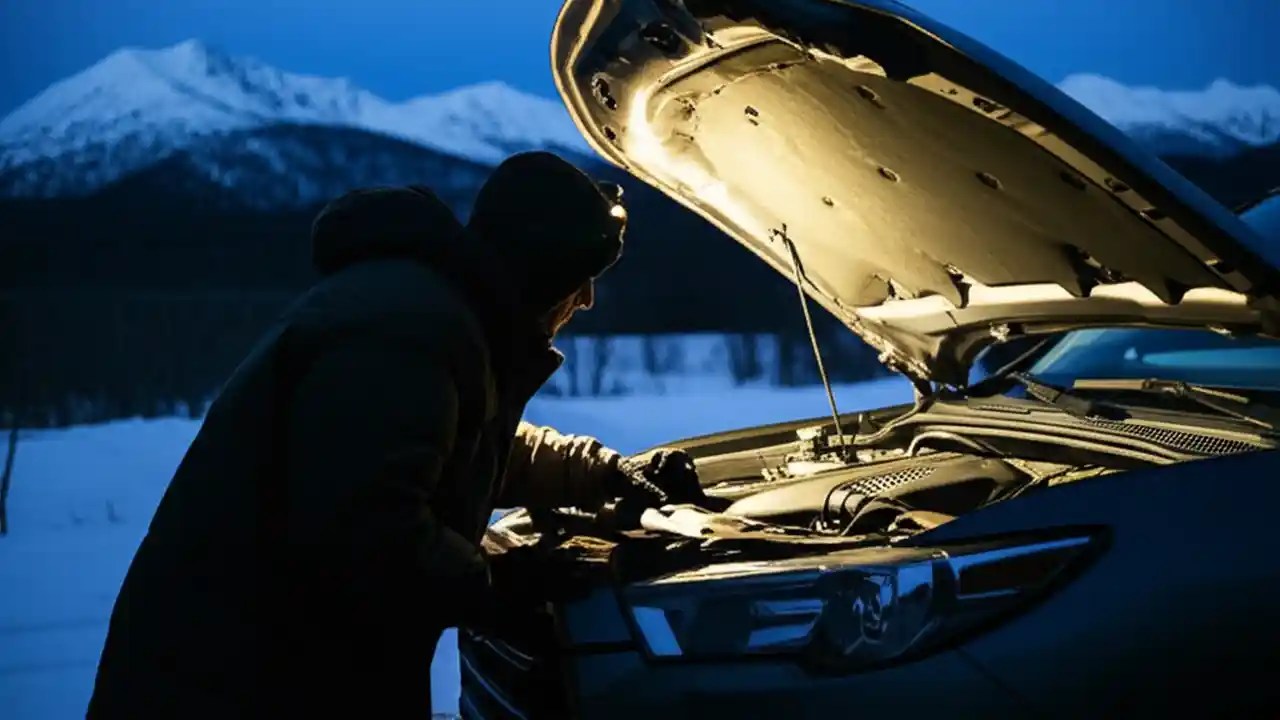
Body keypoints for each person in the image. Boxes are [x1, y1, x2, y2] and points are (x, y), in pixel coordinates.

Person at [87, 152, 705, 719]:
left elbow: (462, 448)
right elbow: (365, 529)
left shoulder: (434, 317)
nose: (588, 301)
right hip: (236, 683)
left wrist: (600, 471)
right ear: (542, 271)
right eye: (581, 277)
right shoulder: (405, 335)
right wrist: (501, 579)